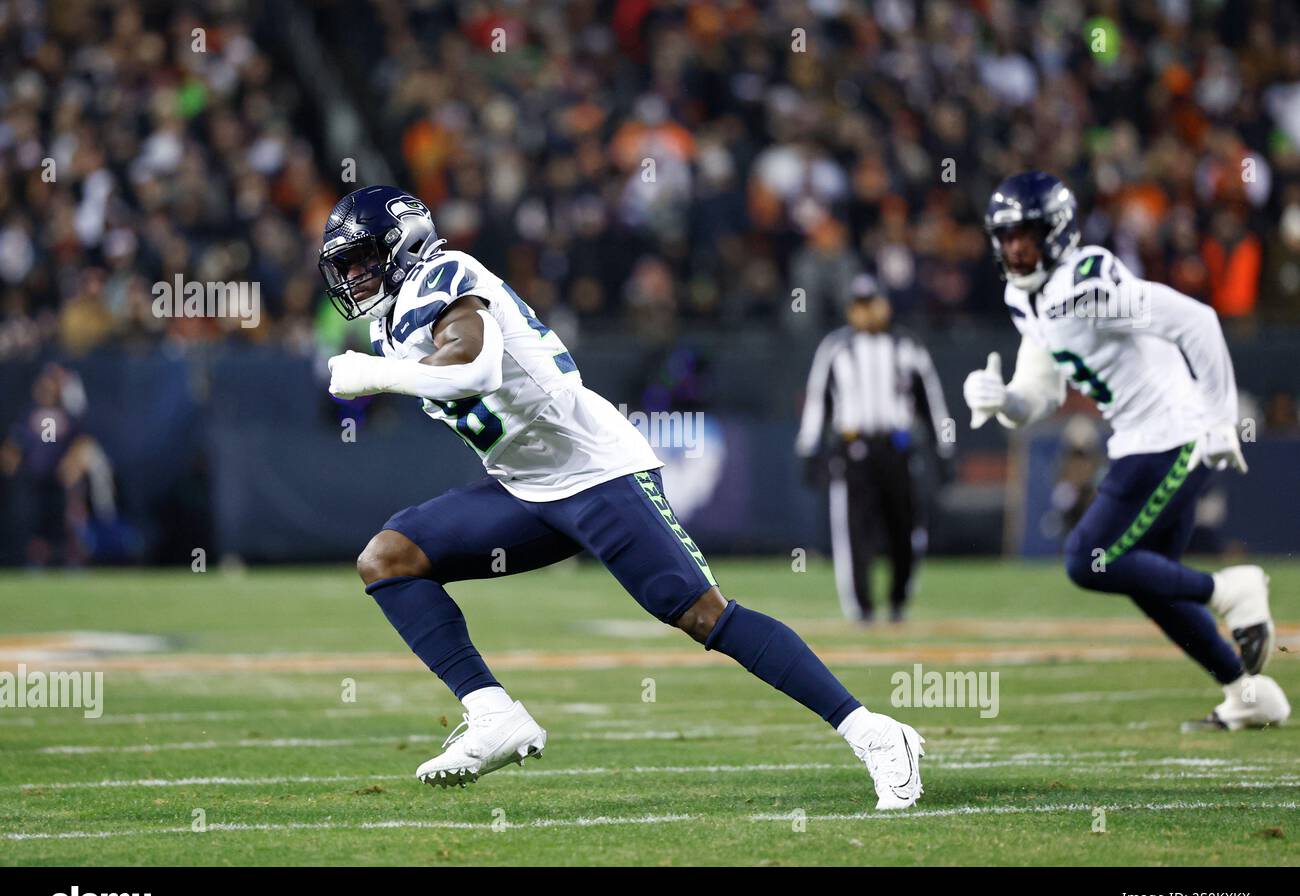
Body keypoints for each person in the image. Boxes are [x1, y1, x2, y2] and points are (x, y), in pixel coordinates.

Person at [318, 185, 925, 806]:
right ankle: (493, 713)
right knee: (389, 557)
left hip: (598, 472)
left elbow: (476, 370)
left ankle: (875, 733)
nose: (356, 278)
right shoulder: (394, 320)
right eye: (347, 267)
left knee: (702, 615)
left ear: (403, 242)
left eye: (363, 259)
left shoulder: (443, 274)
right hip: (525, 485)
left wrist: (378, 376)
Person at [964, 170, 1289, 731]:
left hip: (1174, 434)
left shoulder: (1086, 283)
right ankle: (1249, 693)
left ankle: (1231, 589)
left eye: (1028, 234)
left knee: (1087, 559)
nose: (1016, 248)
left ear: (1057, 233)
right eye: (1007, 236)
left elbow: (1197, 321)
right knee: (1147, 580)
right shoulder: (1026, 299)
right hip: (1141, 440)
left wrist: (1218, 416)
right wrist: (1003, 400)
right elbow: (1041, 392)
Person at [796, 274, 953, 623]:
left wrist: (945, 448)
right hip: (853, 450)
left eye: (871, 304)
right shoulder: (836, 348)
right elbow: (817, 403)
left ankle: (899, 601)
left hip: (897, 449)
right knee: (854, 533)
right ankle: (861, 609)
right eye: (859, 305)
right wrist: (809, 449)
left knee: (906, 529)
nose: (866, 313)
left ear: (885, 304)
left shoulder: (908, 347)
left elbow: (933, 403)